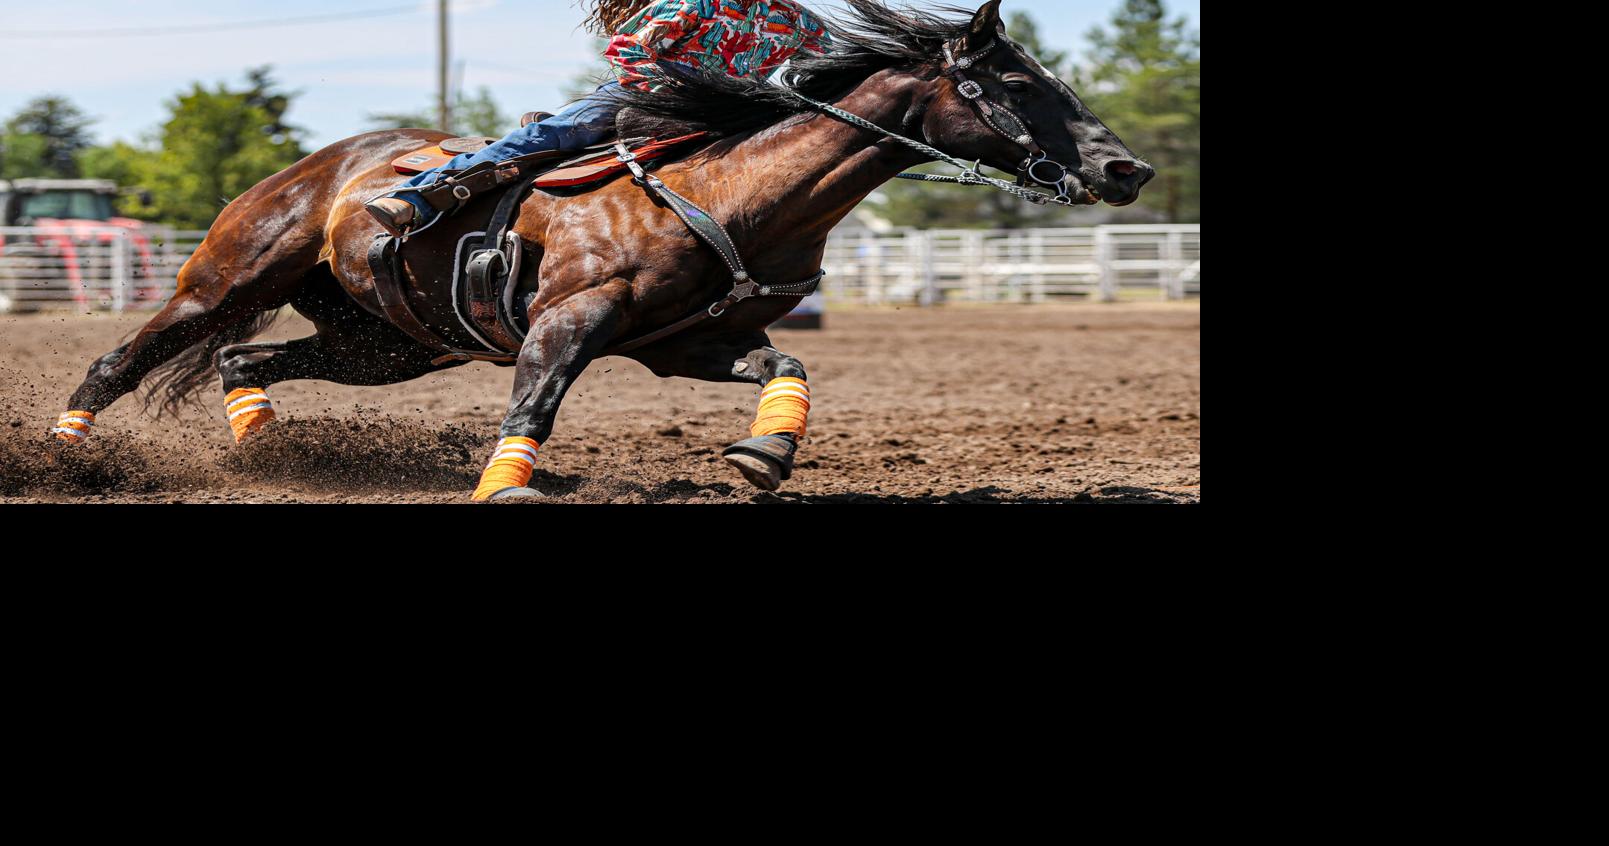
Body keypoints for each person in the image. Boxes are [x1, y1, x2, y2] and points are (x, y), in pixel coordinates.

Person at [365, 0, 833, 236]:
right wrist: (673, 94)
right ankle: (420, 194)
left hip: (735, 107)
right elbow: (628, 48)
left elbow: (827, 69)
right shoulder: (696, 2)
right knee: (559, 132)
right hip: (657, 91)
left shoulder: (800, 22)